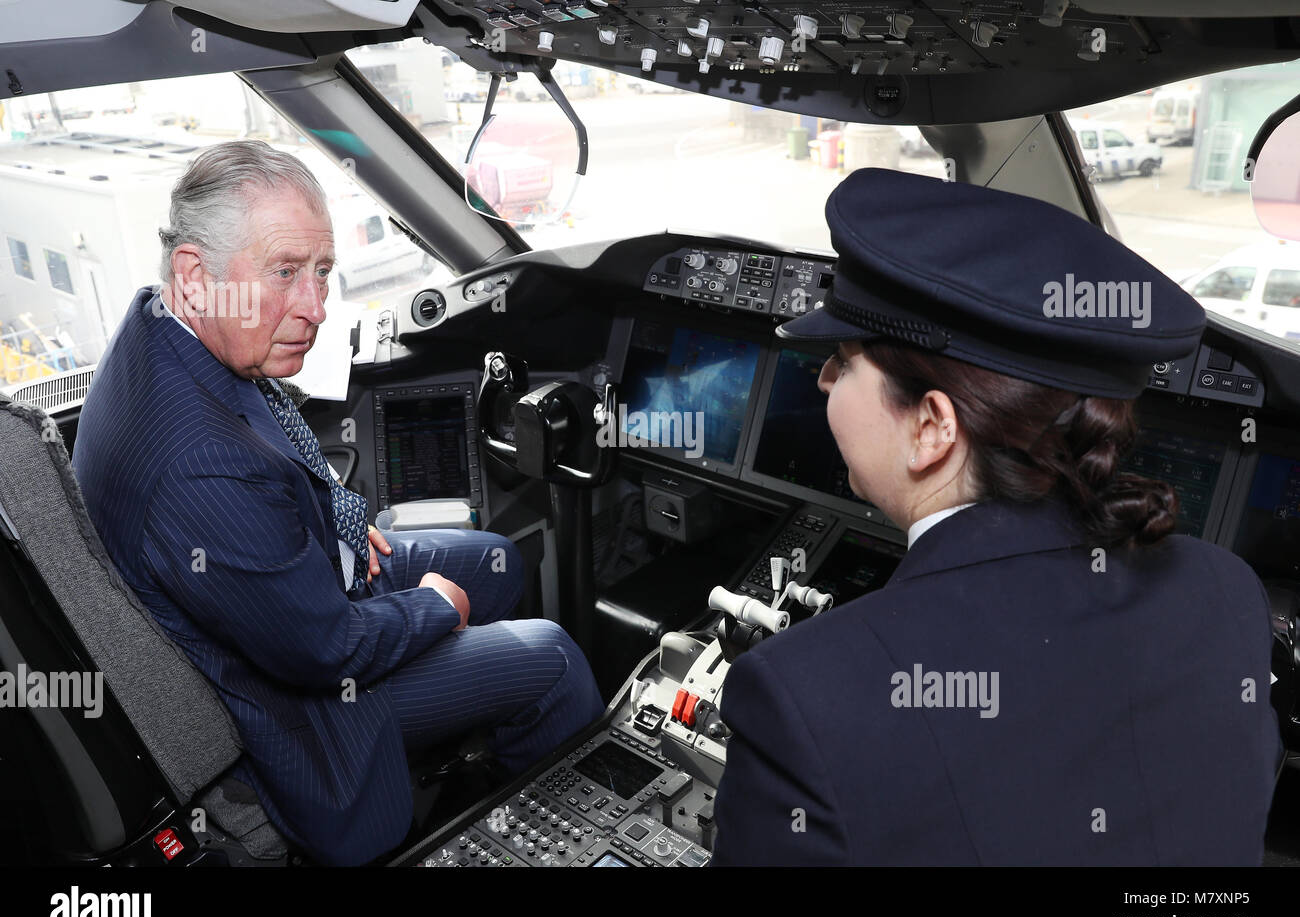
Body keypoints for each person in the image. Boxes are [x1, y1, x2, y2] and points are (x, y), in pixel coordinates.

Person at [710, 168, 1281, 865]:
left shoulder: (801, 700)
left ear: (931, 427)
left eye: (841, 359)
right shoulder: (1227, 592)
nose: (824, 379)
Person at [72, 140, 603, 866]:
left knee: (498, 559)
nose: (316, 308)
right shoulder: (199, 466)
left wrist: (343, 523)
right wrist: (437, 608)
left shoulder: (161, 323)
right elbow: (326, 652)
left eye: (321, 272)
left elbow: (275, 465)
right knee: (554, 658)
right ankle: (524, 844)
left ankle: (481, 753)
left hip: (289, 590)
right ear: (195, 275)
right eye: (285, 272)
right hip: (299, 708)